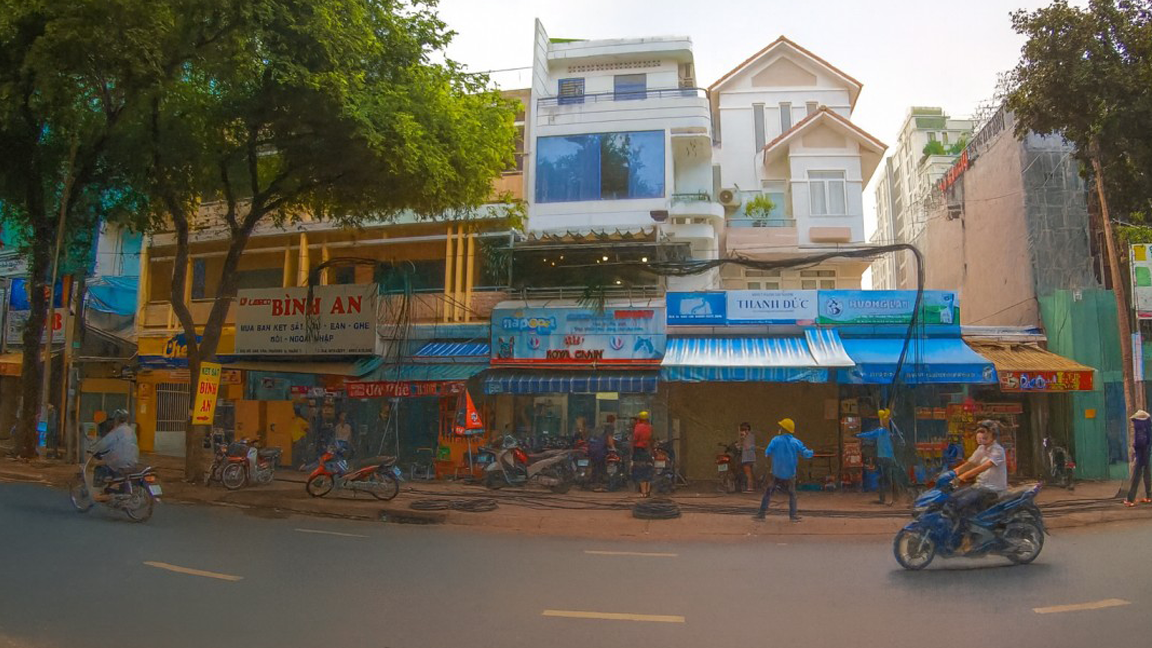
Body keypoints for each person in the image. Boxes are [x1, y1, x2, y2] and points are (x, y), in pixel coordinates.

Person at [947, 420, 1009, 550]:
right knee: (952, 499)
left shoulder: (998, 451)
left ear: (993, 435)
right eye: (980, 431)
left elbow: (983, 467)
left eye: (985, 432)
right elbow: (970, 463)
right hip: (980, 486)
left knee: (962, 504)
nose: (981, 434)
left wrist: (962, 477)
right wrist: (952, 473)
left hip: (992, 489)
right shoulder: (982, 448)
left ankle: (968, 539)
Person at [755, 418, 814, 522]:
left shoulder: (775, 440)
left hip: (776, 472)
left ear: (782, 429)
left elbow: (767, 452)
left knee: (768, 492)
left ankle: (761, 514)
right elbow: (806, 453)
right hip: (790, 472)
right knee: (792, 494)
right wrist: (811, 452)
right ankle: (793, 516)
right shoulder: (796, 442)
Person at [87, 410, 139, 501]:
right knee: (113, 469)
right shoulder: (131, 430)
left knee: (100, 467)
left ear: (116, 420)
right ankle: (113, 489)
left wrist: (92, 450)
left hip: (120, 460)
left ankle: (99, 492)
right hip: (133, 460)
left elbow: (104, 444)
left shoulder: (117, 431)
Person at [857, 409, 898, 505]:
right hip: (888, 458)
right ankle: (892, 498)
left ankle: (883, 498)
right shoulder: (890, 433)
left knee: (882, 479)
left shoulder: (880, 432)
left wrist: (857, 435)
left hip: (882, 458)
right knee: (889, 479)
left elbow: (869, 434)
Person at [1124, 410, 1152, 507]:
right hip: (1147, 451)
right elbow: (1148, 439)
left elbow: (1140, 440)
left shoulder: (1139, 427)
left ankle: (1130, 499)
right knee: (1147, 473)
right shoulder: (1147, 426)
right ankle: (1149, 496)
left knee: (1136, 475)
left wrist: (1136, 446)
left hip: (1141, 453)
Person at [631, 411, 654, 498]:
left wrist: (632, 446)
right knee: (648, 469)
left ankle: (643, 492)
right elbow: (651, 439)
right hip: (647, 449)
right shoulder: (649, 427)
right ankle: (648, 491)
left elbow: (635, 438)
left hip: (638, 450)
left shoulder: (638, 427)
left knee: (640, 470)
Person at [739, 422, 756, 494]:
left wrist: (742, 440)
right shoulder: (750, 436)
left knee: (748, 473)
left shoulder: (749, 436)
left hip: (748, 457)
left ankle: (750, 488)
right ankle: (750, 487)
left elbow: (747, 446)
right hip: (749, 457)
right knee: (749, 472)